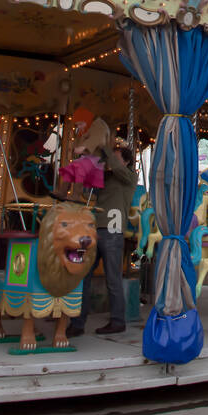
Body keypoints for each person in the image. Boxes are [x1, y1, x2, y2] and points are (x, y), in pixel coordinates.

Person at [68, 138, 138, 337]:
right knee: (83, 275)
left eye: (116, 157)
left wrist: (104, 147)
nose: (111, 160)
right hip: (95, 228)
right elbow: (89, 187)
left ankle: (117, 320)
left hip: (113, 230)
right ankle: (77, 322)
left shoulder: (129, 176)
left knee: (113, 278)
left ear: (125, 161)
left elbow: (116, 166)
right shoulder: (107, 177)